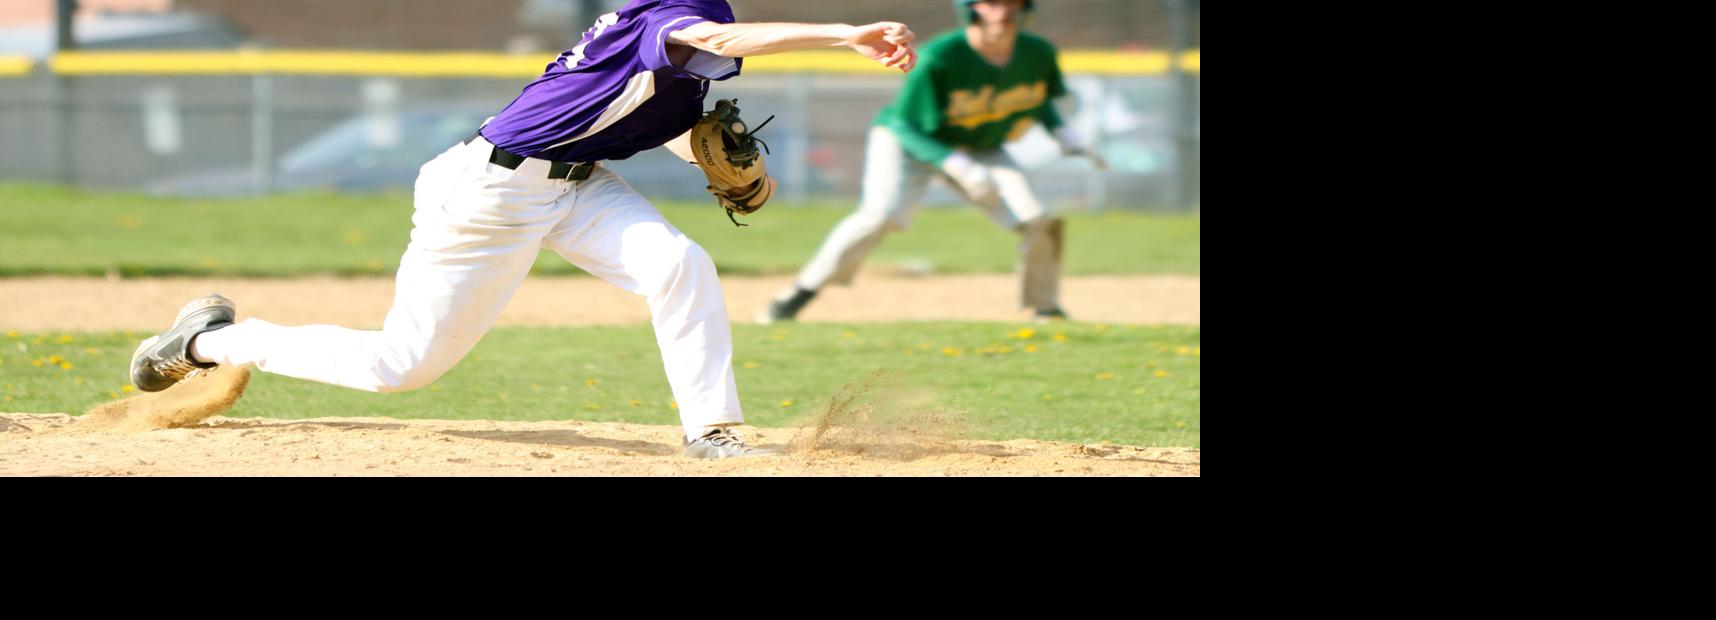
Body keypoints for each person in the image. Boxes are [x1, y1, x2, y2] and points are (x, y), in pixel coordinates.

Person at [128, 0, 916, 459]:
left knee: (679, 262)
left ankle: (711, 431)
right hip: (486, 193)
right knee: (400, 366)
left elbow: (672, 110)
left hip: (579, 188)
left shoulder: (707, 15)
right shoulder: (663, 13)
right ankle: (204, 342)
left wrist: (723, 166)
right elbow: (712, 43)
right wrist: (844, 34)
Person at [759, 0, 1104, 325]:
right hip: (908, 143)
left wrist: (1063, 134)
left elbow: (1035, 96)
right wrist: (954, 162)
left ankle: (1045, 308)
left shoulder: (1036, 52)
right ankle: (799, 293)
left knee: (1038, 219)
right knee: (880, 216)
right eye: (991, 2)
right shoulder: (941, 56)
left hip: (981, 147)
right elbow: (903, 124)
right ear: (971, 8)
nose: (1002, 12)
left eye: (1010, 2)